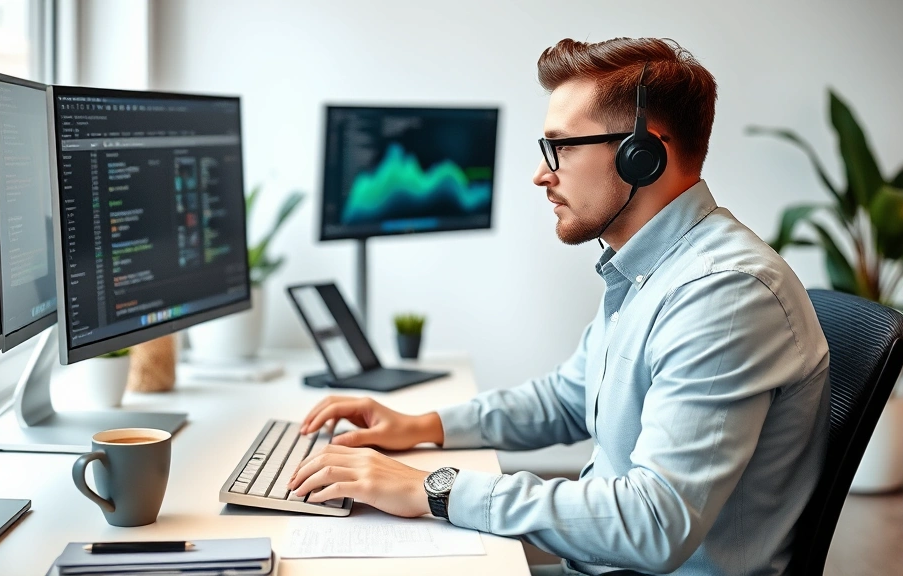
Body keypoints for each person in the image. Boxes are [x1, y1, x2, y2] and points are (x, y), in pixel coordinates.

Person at [287, 37, 830, 576]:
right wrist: (419, 425)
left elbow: (656, 523)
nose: (541, 174)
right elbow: (570, 398)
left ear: (643, 153)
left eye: (561, 147)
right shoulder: (648, 268)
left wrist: (433, 487)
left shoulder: (723, 294)